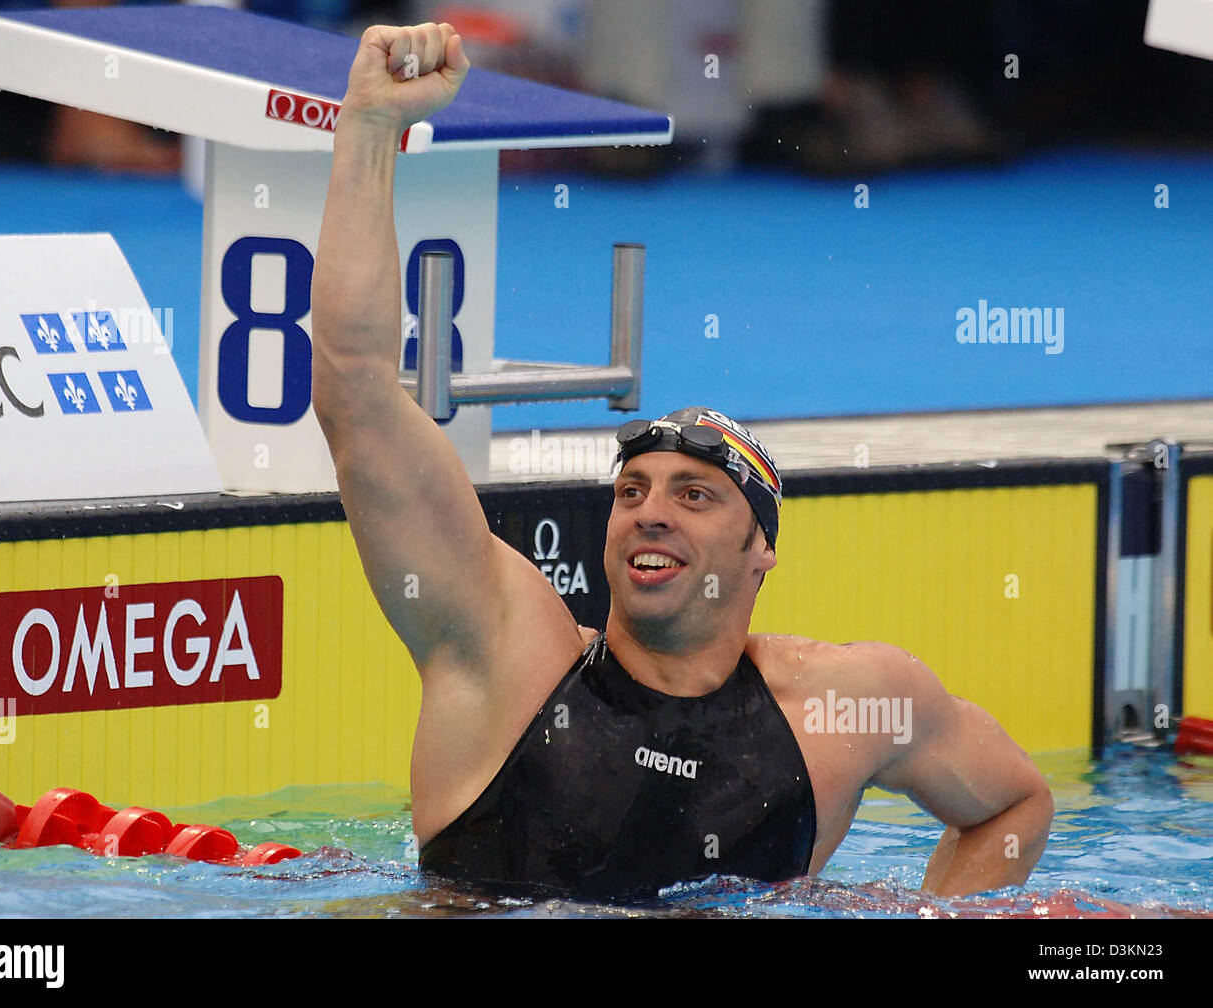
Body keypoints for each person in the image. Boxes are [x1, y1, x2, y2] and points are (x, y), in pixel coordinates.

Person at [310, 22, 1053, 899]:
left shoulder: (844, 707)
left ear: (760, 552)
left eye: (696, 496)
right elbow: (355, 390)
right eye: (632, 491)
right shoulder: (504, 654)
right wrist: (366, 127)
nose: (650, 511)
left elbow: (1014, 806)